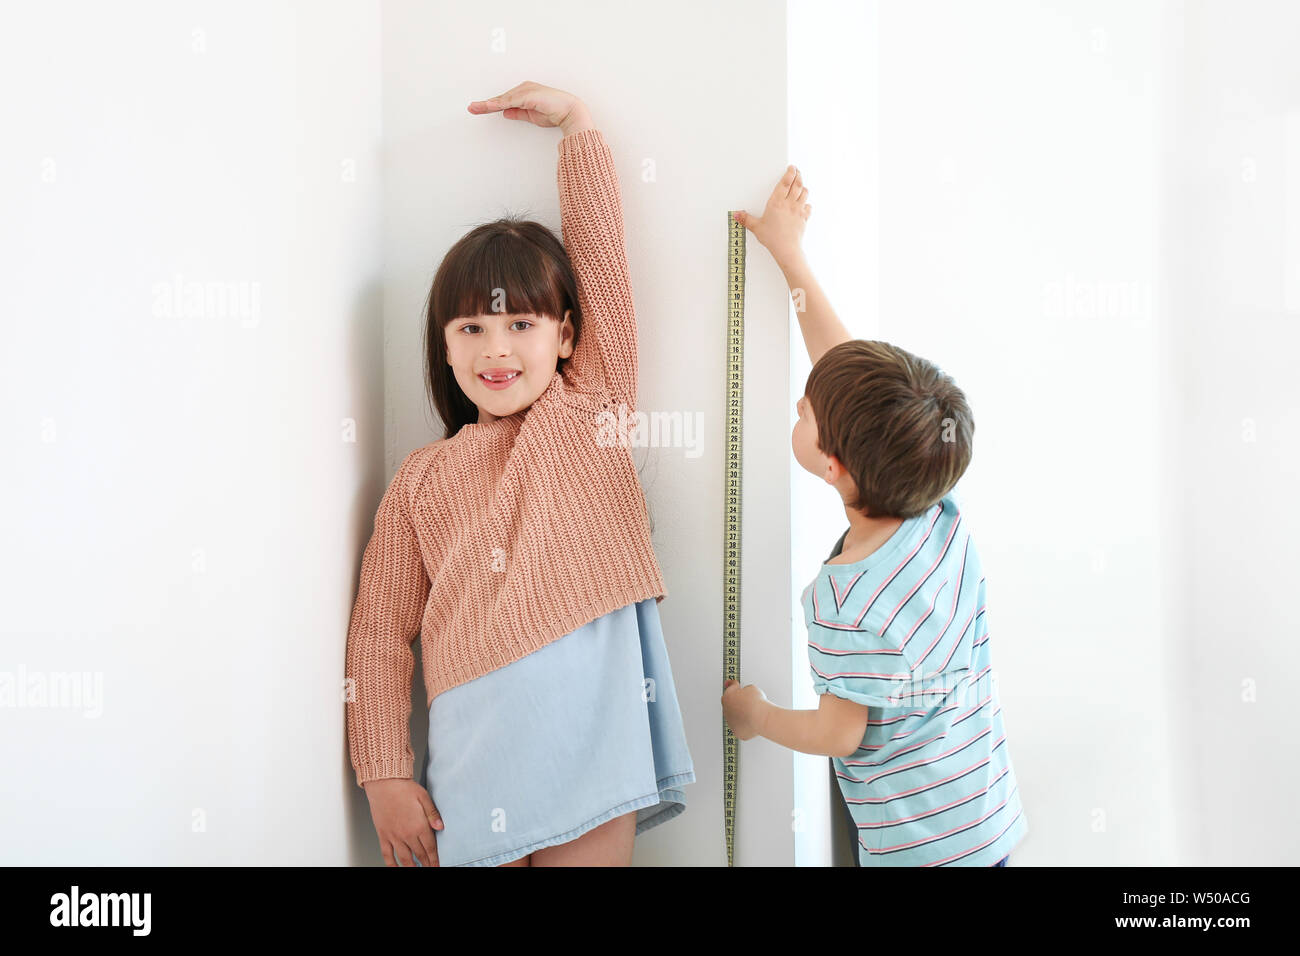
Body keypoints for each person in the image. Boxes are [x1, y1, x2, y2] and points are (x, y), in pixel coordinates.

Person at [344, 82, 694, 867]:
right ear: (444, 347)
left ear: (566, 336)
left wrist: (578, 129)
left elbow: (601, 263)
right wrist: (383, 774)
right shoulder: (419, 481)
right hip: (474, 743)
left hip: (594, 727)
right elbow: (377, 632)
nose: (496, 349)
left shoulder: (590, 411)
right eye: (471, 327)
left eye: (521, 324)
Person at [722, 166, 1027, 866]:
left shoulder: (844, 600)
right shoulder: (935, 509)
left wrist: (758, 717)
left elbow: (840, 734)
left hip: (921, 851)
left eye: (807, 412)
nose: (798, 405)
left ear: (834, 465)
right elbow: (847, 382)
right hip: (985, 817)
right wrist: (789, 254)